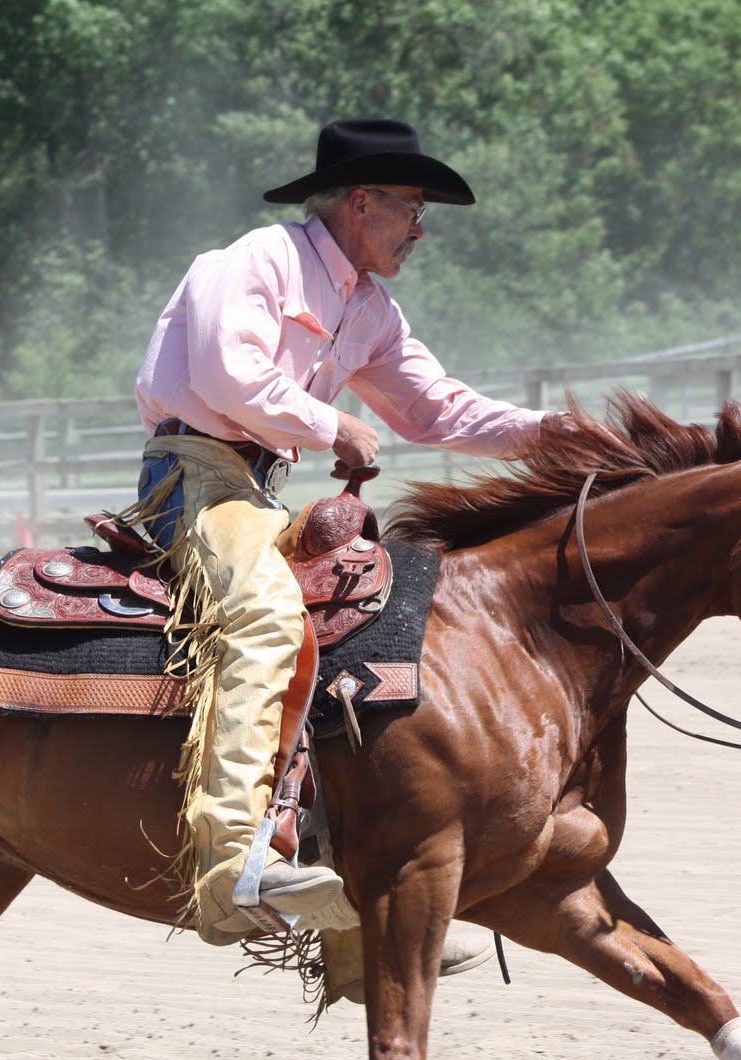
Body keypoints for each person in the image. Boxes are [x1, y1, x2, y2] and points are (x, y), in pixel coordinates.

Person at [129, 118, 570, 948]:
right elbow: (228, 372)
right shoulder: (259, 259)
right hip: (194, 477)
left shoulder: (367, 307)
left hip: (254, 490)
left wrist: (557, 436)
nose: (421, 227)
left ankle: (345, 914)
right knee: (264, 618)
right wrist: (333, 424)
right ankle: (230, 864)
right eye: (412, 206)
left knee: (367, 622)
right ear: (362, 203)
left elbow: (438, 407)